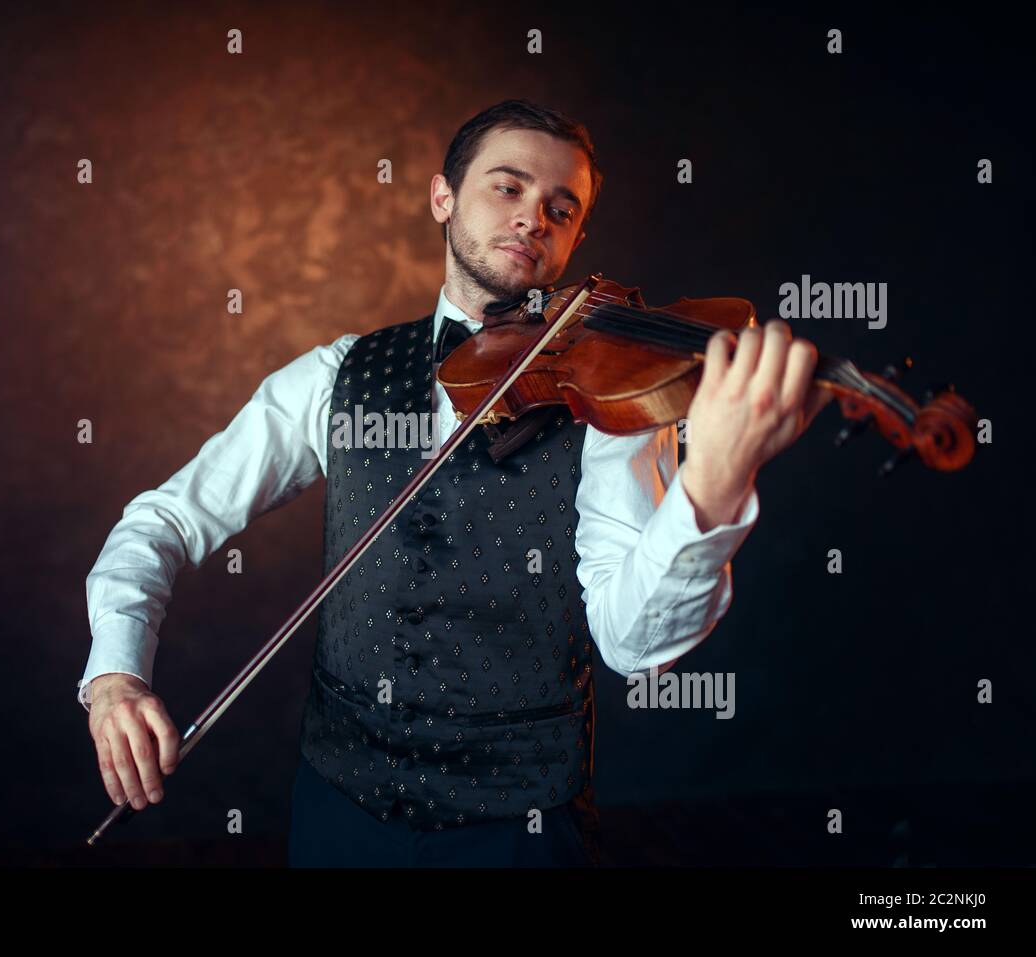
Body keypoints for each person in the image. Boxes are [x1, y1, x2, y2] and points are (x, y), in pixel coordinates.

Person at [77, 99, 832, 866]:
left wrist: (713, 482)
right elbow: (161, 521)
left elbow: (635, 646)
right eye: (508, 187)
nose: (533, 217)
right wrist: (115, 674)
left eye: (560, 208)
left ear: (575, 236)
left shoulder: (613, 403)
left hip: (521, 831)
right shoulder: (337, 375)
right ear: (443, 197)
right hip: (338, 809)